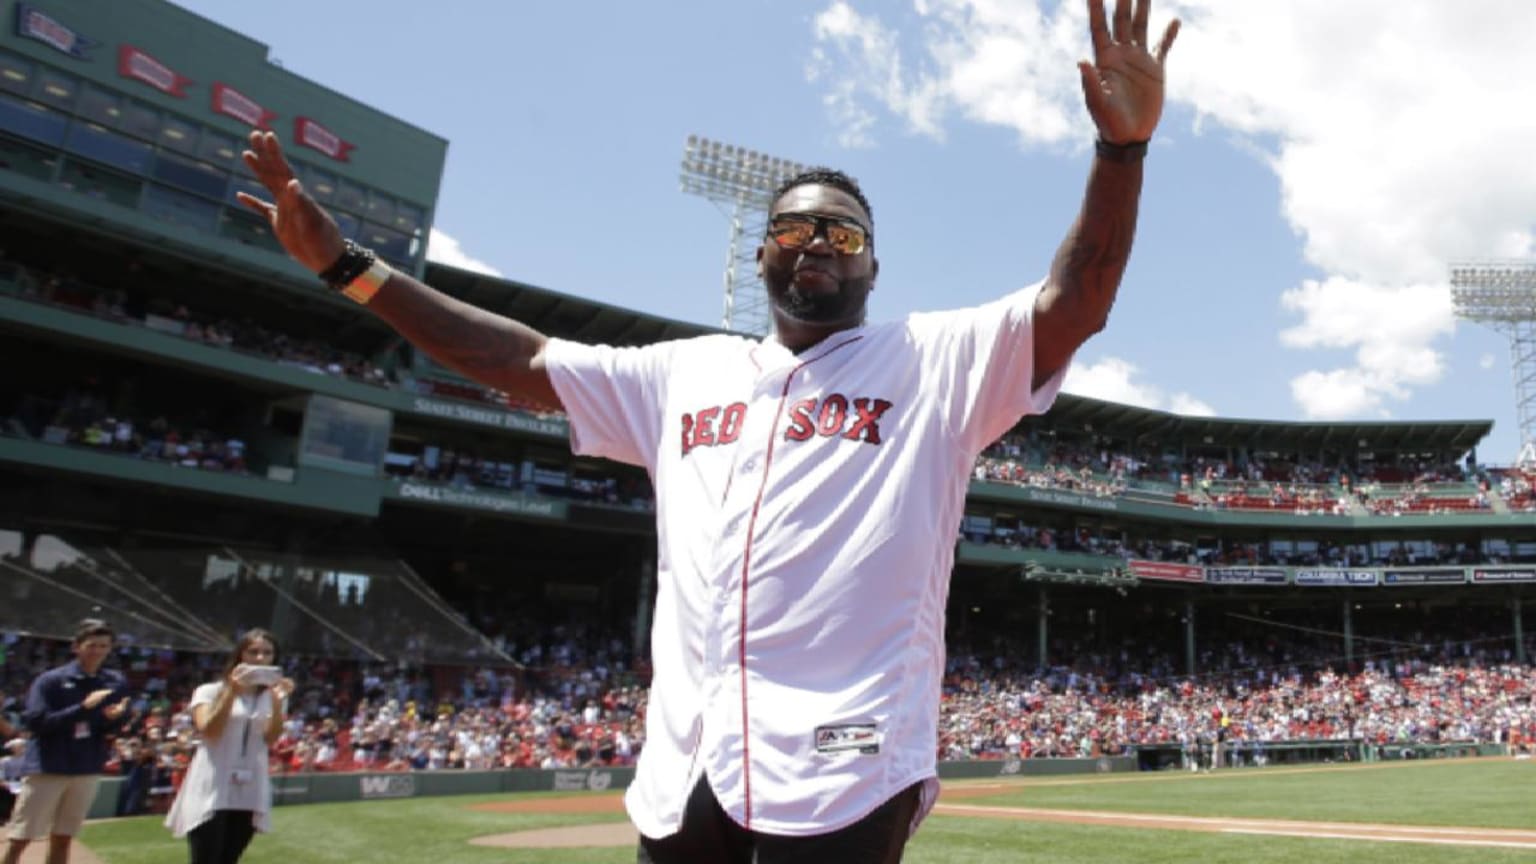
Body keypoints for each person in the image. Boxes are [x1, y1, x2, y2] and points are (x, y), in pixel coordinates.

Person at [238, 0, 1177, 858]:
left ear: (875, 268)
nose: (815, 241)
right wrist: (350, 269)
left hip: (847, 767)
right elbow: (517, 363)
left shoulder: (937, 362)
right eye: (794, 227)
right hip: (686, 767)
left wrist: (1121, 156)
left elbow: (1078, 297)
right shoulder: (679, 374)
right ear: (761, 248)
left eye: (842, 234)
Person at [3, 619, 129, 864]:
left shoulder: (113, 682)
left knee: (64, 837)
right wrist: (83, 708)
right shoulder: (51, 680)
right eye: (92, 645)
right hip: (48, 766)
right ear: (77, 647)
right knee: (22, 837)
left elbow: (109, 728)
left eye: (104, 646)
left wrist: (115, 718)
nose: (98, 651)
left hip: (86, 766)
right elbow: (36, 722)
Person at [165, 629, 294, 864]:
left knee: (229, 858)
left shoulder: (274, 697)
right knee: (205, 858)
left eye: (267, 653)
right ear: (239, 655)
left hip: (249, 786)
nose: (260, 658)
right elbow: (209, 730)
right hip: (212, 782)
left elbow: (271, 738)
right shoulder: (209, 691)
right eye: (253, 652)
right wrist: (232, 692)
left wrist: (277, 703)